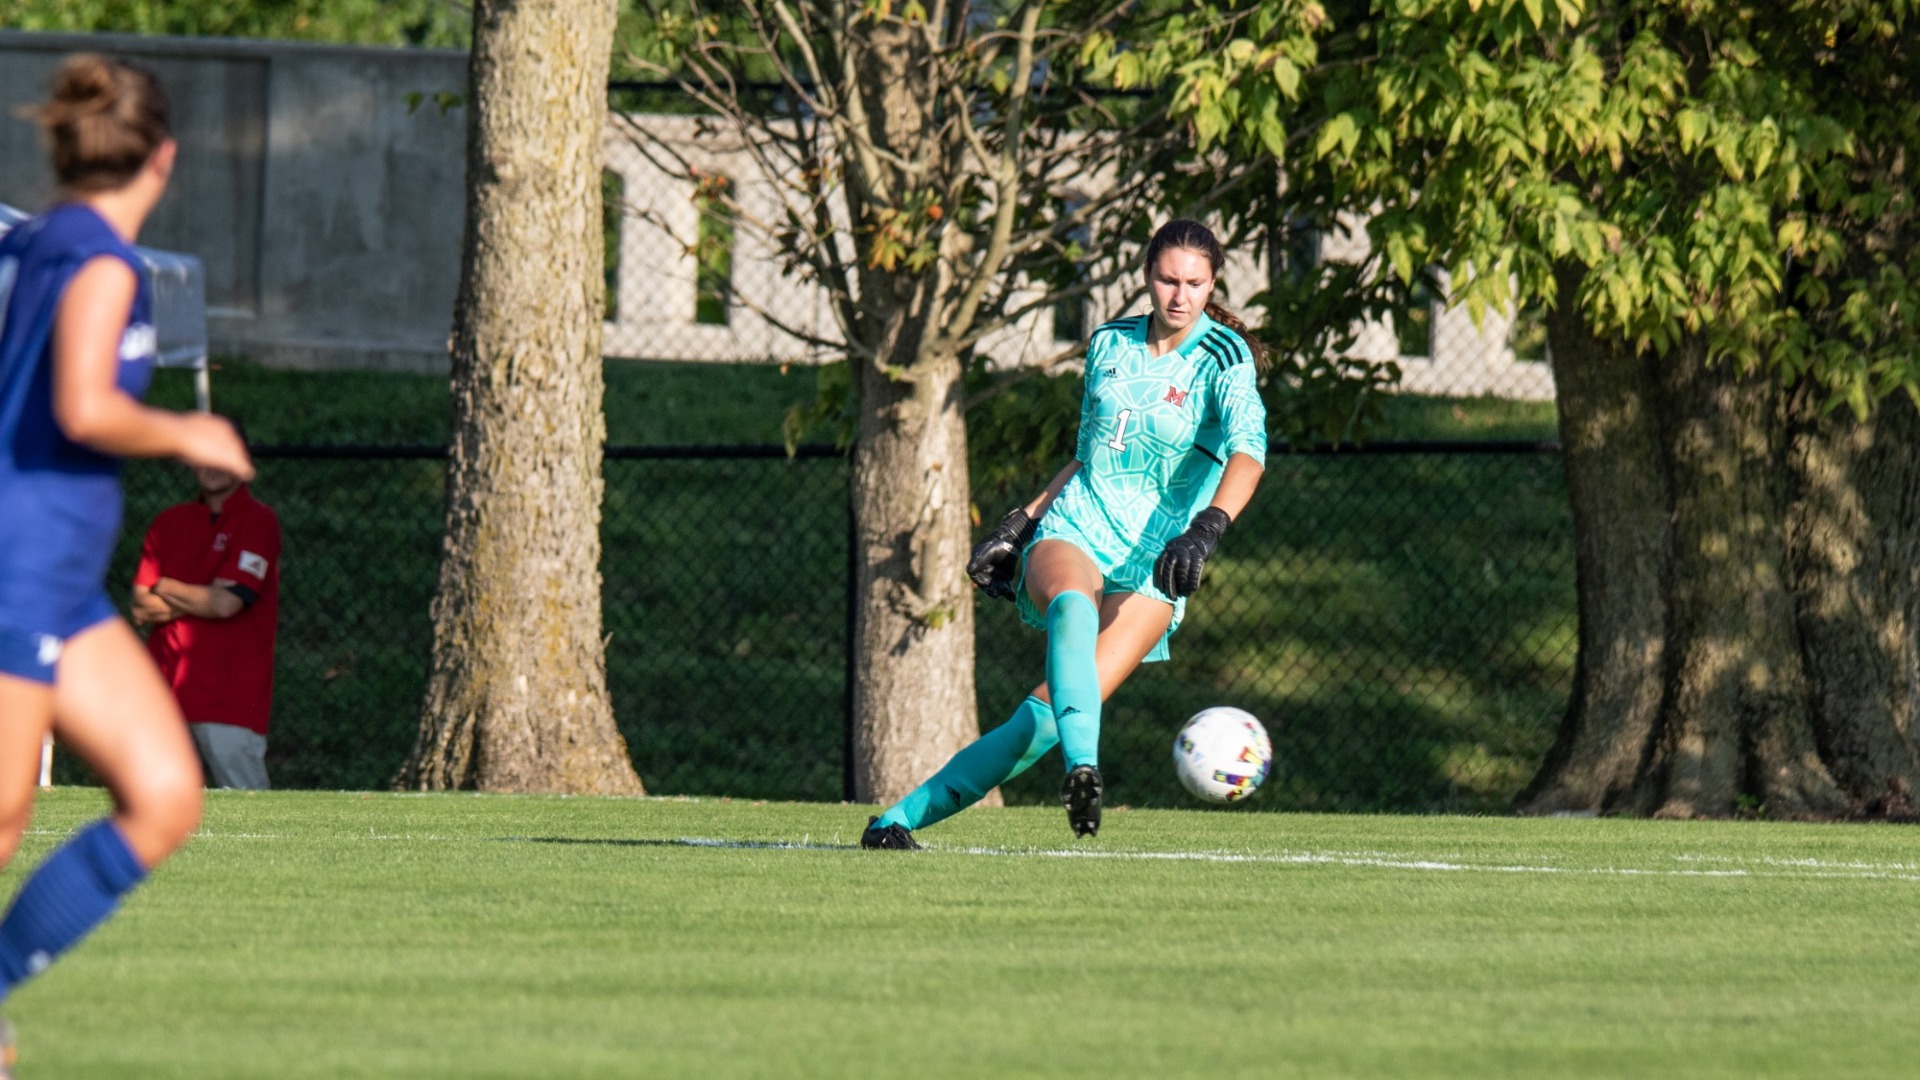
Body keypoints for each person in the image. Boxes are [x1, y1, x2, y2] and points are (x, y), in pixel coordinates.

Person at [0, 55, 253, 1073]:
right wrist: (189, 435)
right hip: (15, 571)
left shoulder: (32, 244)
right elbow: (82, 407)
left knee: (164, 792)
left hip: (59, 581)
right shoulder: (101, 262)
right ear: (165, 158)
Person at [862, 219, 1269, 849]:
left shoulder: (1224, 357)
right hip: (1079, 523)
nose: (1179, 295)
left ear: (1213, 282)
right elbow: (1087, 454)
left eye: (1194, 282)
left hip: (1158, 557)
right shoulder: (1108, 343)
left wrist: (1207, 528)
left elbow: (1248, 454)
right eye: (1167, 279)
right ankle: (1086, 768)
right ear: (1147, 277)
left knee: (1048, 719)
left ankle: (896, 821)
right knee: (1072, 611)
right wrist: (1022, 522)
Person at [131, 451, 282, 790]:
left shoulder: (257, 520)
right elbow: (141, 607)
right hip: (165, 694)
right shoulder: (169, 522)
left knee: (250, 819)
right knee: (159, 809)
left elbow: (228, 604)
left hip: (231, 699)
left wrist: (165, 585)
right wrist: (206, 596)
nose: (212, 465)